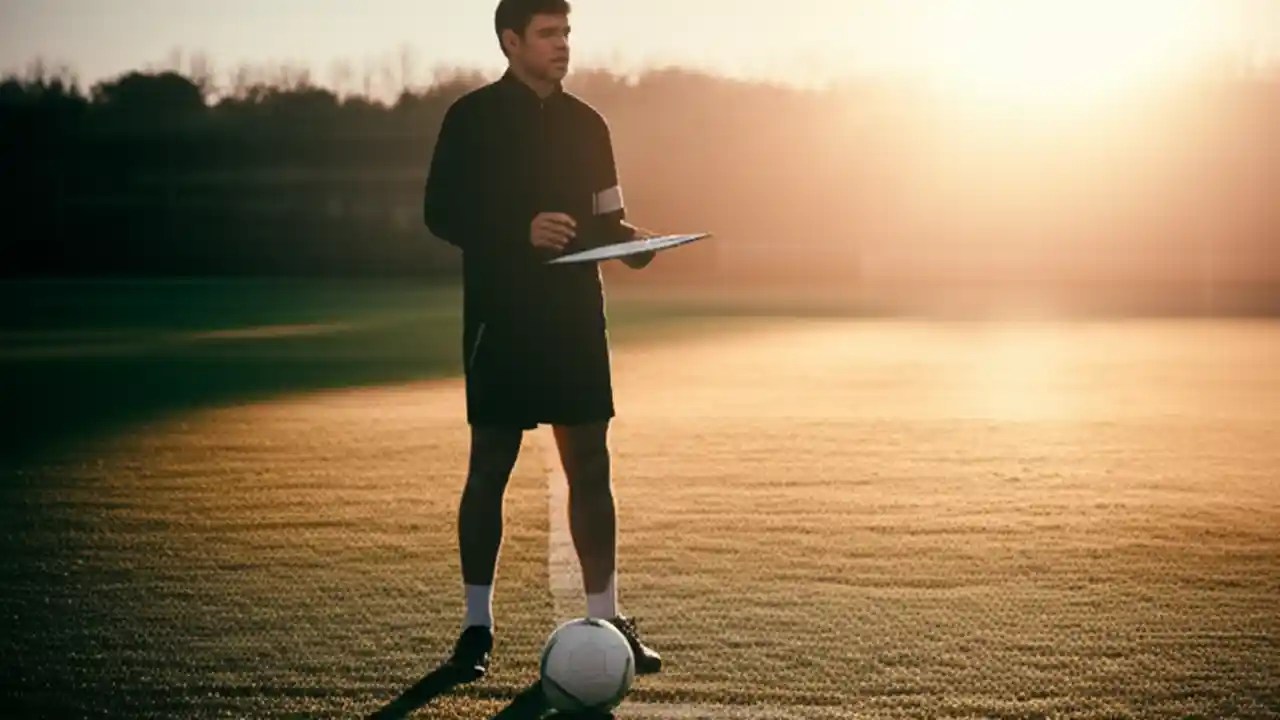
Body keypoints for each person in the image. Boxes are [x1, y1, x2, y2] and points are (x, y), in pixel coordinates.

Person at [422, 0, 663, 682]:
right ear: (511, 41)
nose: (562, 45)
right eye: (548, 34)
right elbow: (439, 212)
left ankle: (608, 618)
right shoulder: (470, 118)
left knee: (591, 465)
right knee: (489, 466)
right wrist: (517, 228)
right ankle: (475, 629)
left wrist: (635, 245)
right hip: (501, 319)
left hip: (575, 322)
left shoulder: (590, 124)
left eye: (567, 33)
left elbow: (609, 220)